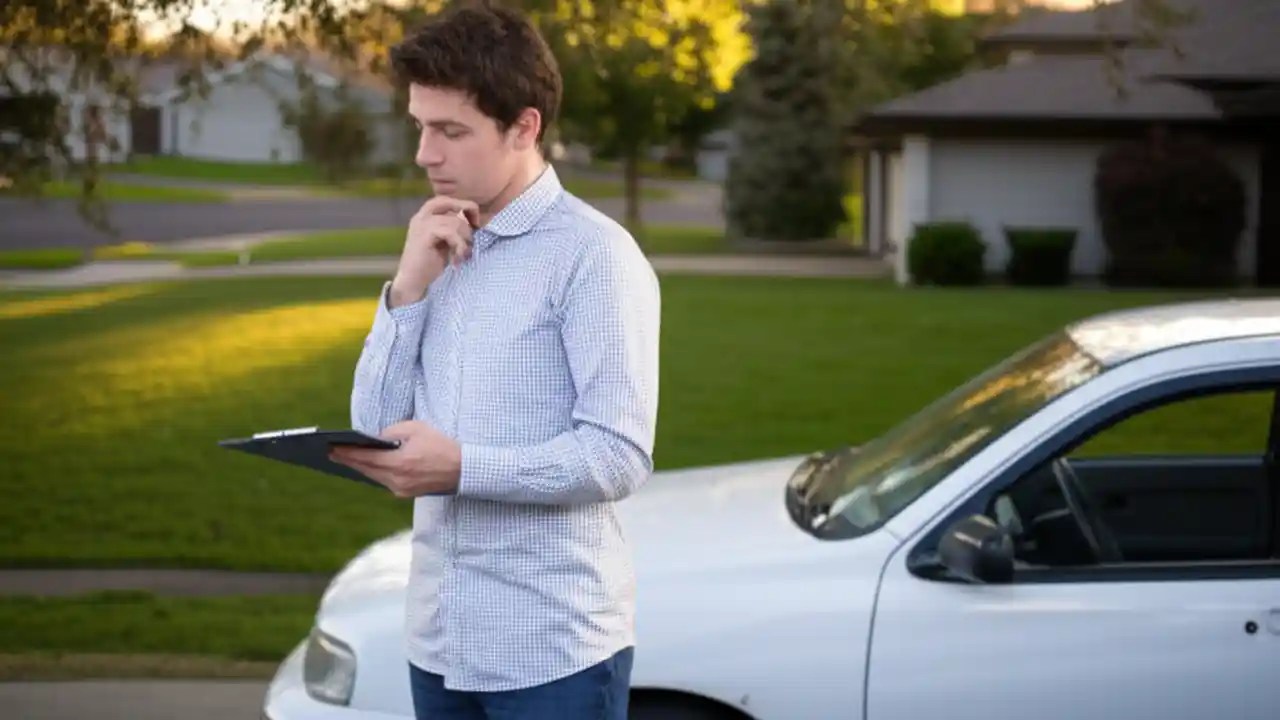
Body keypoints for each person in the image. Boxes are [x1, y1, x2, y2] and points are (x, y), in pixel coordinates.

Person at [329, 2, 661, 719]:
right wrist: (408, 287)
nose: (425, 153)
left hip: (551, 654)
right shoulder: (436, 240)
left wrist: (462, 468)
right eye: (420, 126)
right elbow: (374, 424)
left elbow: (618, 455)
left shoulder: (594, 258)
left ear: (524, 127)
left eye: (451, 131)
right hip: (438, 642)